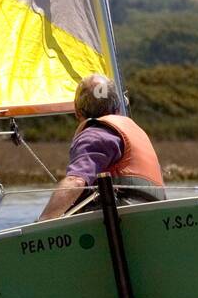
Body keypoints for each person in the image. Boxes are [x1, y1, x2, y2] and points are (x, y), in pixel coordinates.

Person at [38, 73, 166, 220]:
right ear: (118, 107)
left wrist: (42, 222)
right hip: (157, 217)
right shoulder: (135, 131)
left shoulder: (94, 135)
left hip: (123, 222)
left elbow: (76, 181)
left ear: (77, 111)